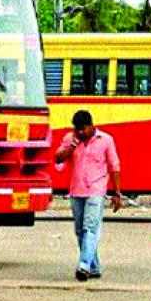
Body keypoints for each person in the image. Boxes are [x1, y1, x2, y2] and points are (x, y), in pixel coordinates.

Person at [55, 110, 121, 281]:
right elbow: (58, 158)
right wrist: (72, 145)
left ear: (91, 126)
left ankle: (83, 265)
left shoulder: (106, 140)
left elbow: (114, 166)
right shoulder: (70, 139)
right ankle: (94, 266)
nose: (80, 132)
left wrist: (117, 192)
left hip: (96, 190)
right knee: (79, 231)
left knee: (90, 227)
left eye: (83, 129)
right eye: (77, 129)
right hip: (76, 191)